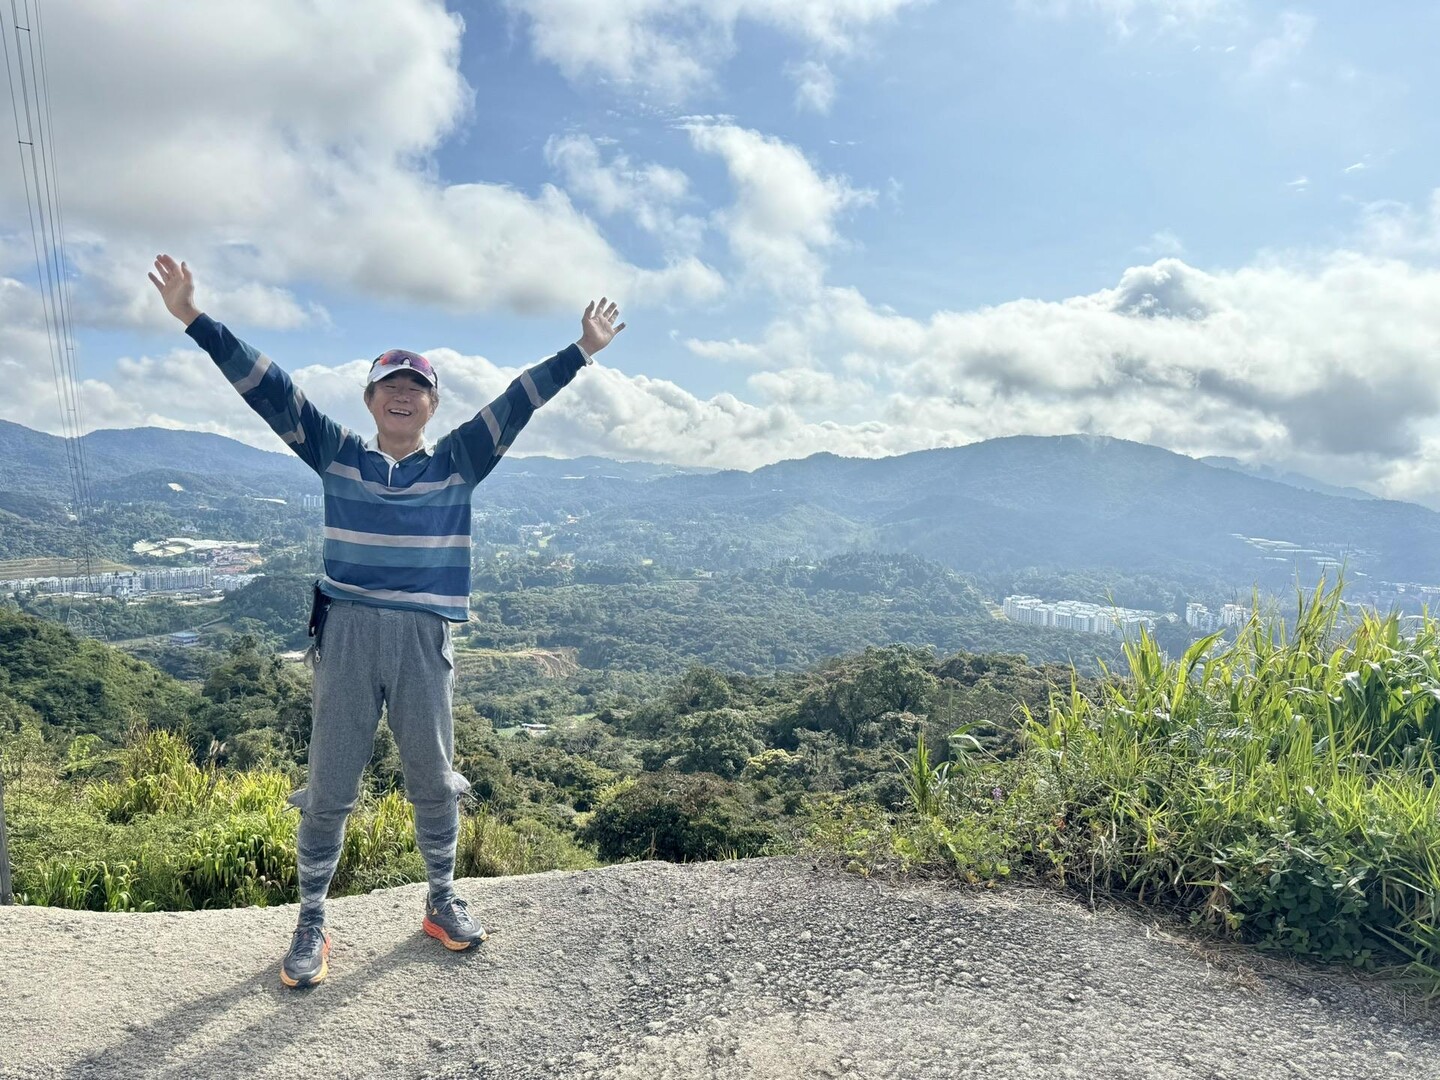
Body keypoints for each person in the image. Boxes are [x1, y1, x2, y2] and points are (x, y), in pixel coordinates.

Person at [148, 254, 625, 988]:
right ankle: (311, 918)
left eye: (417, 387)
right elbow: (272, 392)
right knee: (330, 782)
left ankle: (440, 898)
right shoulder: (337, 455)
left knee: (434, 779)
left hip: (424, 636)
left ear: (432, 406)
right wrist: (194, 319)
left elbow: (518, 400)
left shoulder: (461, 460)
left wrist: (582, 351)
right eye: (390, 385)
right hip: (346, 634)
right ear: (371, 399)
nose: (403, 395)